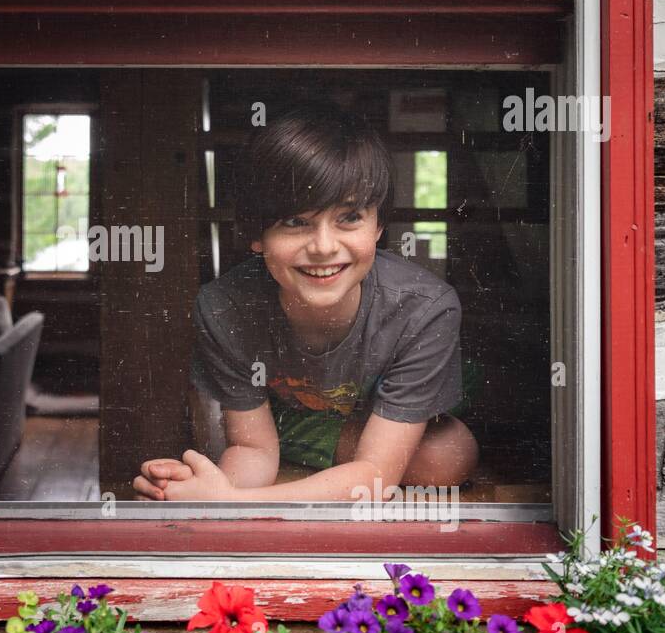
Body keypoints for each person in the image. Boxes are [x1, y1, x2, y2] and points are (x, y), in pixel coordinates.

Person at [135, 105, 478, 503]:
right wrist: (198, 489)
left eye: (349, 217)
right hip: (285, 417)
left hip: (380, 413)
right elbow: (252, 449)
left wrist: (227, 502)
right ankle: (318, 459)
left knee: (446, 455)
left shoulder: (424, 308)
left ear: (379, 225)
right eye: (296, 222)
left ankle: (314, 455)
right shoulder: (224, 307)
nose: (324, 247)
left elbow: (377, 476)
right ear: (255, 233)